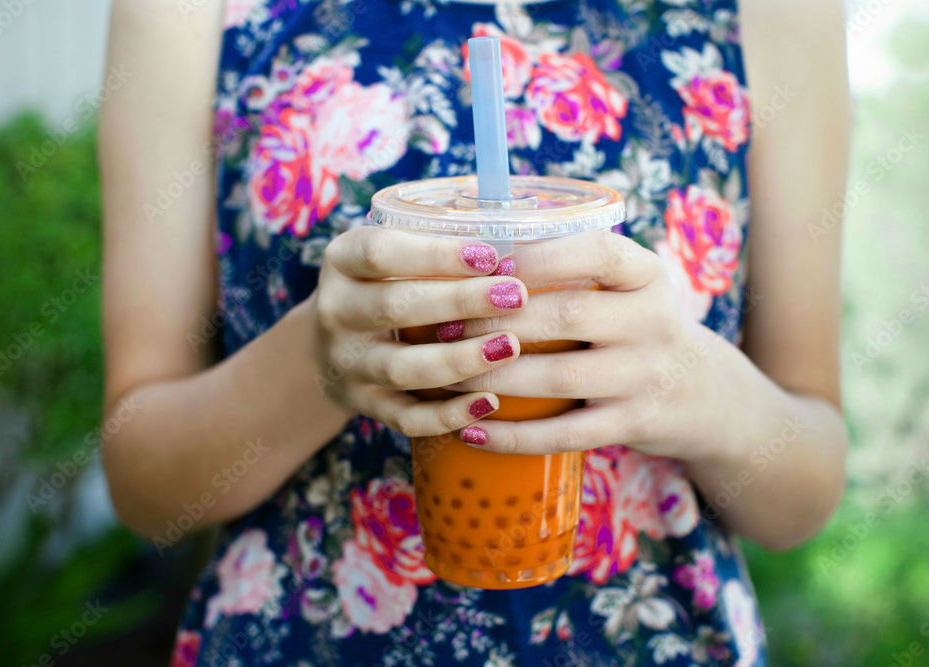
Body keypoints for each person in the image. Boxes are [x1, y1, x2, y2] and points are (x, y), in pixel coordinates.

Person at [99, 0, 849, 664]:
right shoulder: (187, 12)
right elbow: (146, 488)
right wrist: (320, 365)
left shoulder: (778, 13)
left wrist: (696, 385)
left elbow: (806, 489)